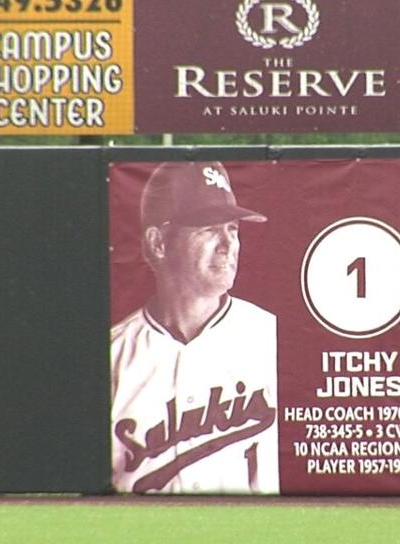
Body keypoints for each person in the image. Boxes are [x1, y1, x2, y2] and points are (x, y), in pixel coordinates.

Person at [110, 161, 280, 494]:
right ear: (158, 243)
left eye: (232, 228)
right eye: (209, 228)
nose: (228, 244)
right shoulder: (113, 356)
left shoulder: (271, 338)